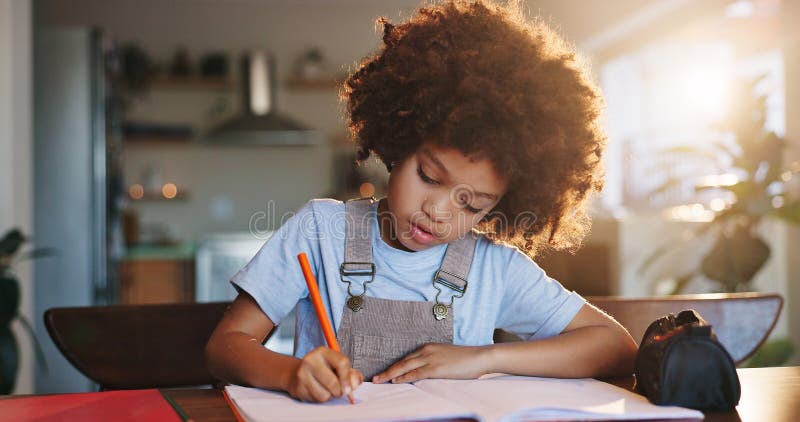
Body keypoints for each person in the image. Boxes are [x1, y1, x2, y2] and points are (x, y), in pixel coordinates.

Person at [205, 0, 637, 403]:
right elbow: (225, 347)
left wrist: (484, 358)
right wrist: (290, 373)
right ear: (397, 140)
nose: (439, 211)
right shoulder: (321, 232)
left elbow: (615, 346)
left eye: (472, 205)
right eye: (429, 177)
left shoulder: (494, 269)